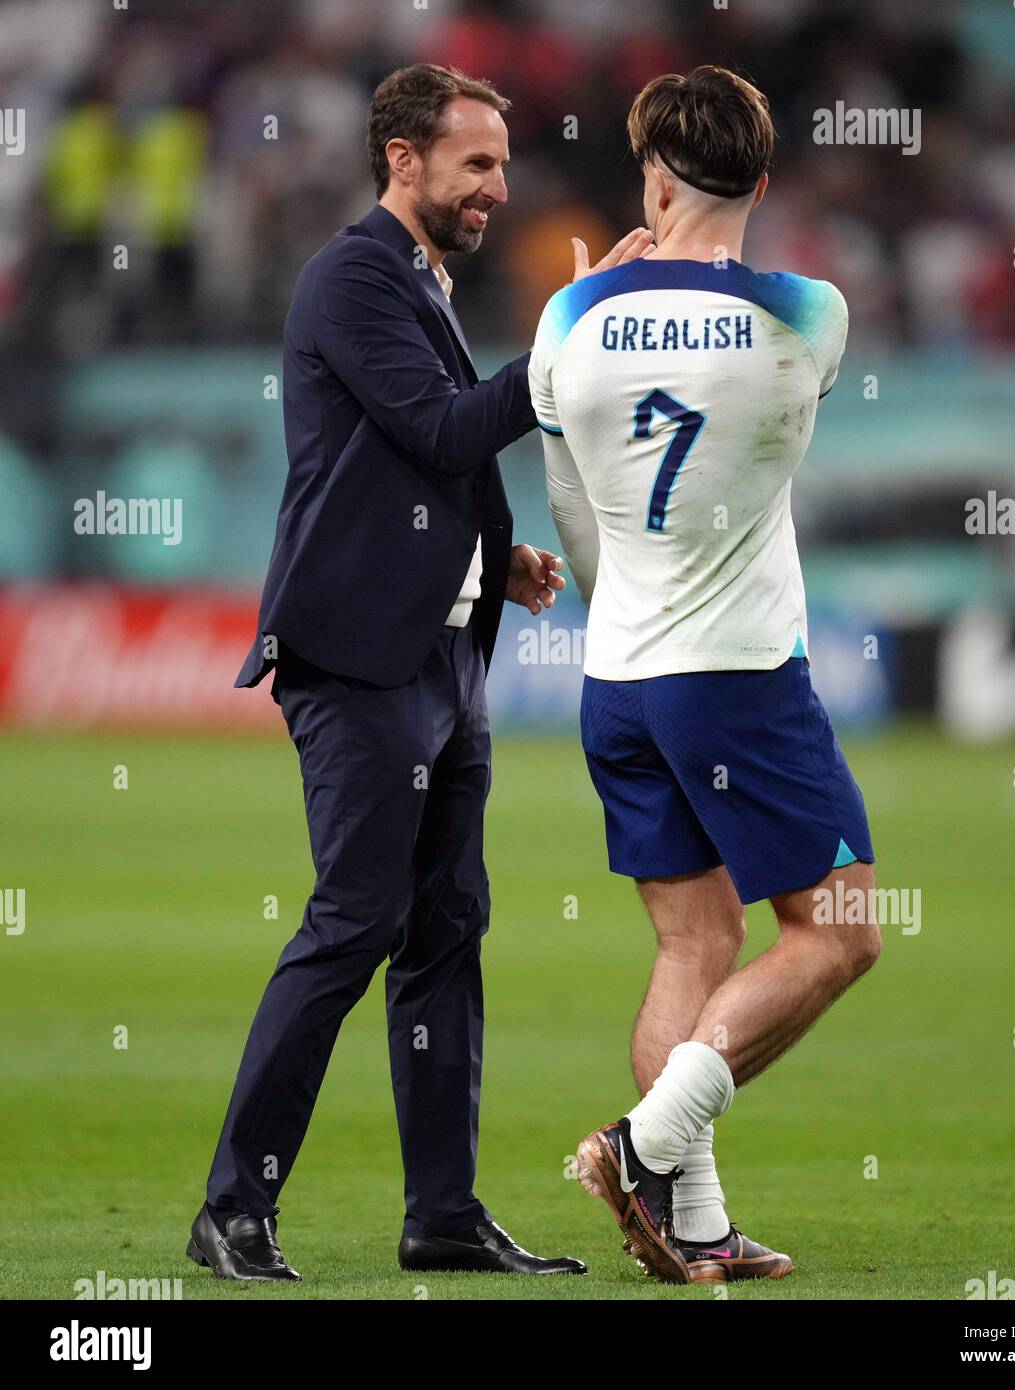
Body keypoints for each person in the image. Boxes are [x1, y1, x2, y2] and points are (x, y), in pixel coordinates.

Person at [188, 63, 651, 1282]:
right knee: (355, 925)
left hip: (441, 656)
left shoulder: (417, 282)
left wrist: (497, 560)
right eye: (478, 163)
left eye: (499, 163)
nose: (499, 186)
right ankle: (233, 1206)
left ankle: (440, 1213)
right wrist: (569, 328)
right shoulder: (352, 273)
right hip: (356, 663)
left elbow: (415, 463)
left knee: (445, 932)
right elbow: (443, 429)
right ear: (402, 159)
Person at [529, 66, 880, 1285]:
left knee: (695, 944)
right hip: (734, 672)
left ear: (653, 179)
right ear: (762, 182)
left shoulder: (566, 320)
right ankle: (645, 1144)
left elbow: (570, 498)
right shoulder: (808, 315)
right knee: (839, 933)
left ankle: (693, 1222)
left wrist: (605, 298)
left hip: (617, 674)